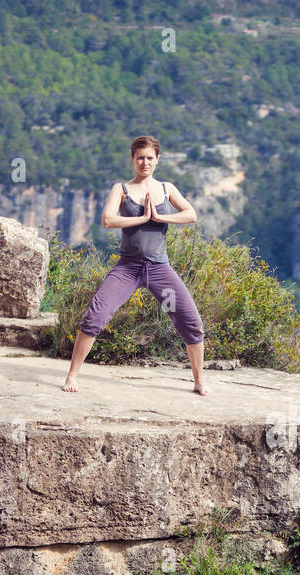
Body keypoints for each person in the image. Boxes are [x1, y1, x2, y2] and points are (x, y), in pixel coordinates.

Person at [62, 134, 209, 395]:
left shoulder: (167, 189)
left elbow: (191, 214)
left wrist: (159, 216)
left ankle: (199, 381)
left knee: (190, 321)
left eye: (150, 158)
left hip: (159, 269)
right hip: (128, 269)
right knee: (95, 316)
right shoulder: (122, 189)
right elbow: (108, 220)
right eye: (140, 158)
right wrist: (141, 219)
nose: (145, 163)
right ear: (132, 159)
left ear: (157, 159)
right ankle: (72, 376)